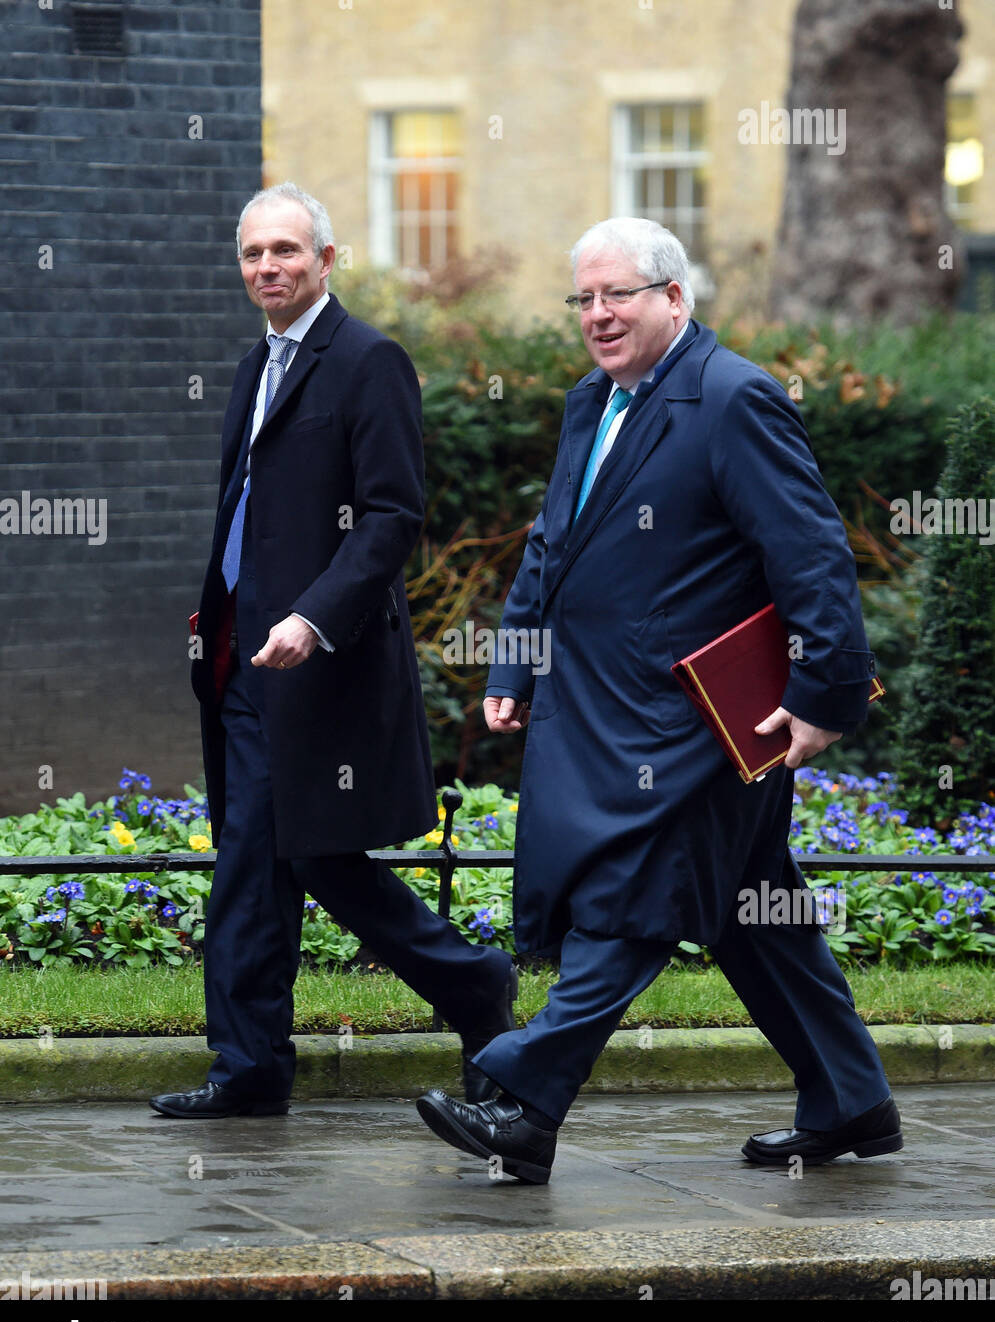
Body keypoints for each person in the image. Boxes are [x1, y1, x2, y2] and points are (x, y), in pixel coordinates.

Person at [416, 217, 902, 1183]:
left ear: (673, 298)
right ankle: (852, 1102)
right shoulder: (589, 401)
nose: (597, 315)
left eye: (618, 295)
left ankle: (521, 1100)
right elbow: (549, 545)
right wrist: (512, 663)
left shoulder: (733, 400)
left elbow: (809, 557)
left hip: (701, 727)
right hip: (599, 710)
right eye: (583, 299)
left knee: (628, 903)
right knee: (757, 917)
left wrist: (824, 695)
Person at [150, 183, 515, 1118]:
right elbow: (248, 512)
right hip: (238, 664)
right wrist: (218, 613)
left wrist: (312, 618)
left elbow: (392, 516)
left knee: (303, 857)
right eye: (252, 254)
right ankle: (252, 1069)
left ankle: (472, 986)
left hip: (318, 666)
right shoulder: (250, 368)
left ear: (326, 260)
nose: (266, 267)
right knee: (253, 864)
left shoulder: (367, 360)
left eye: (285, 251)